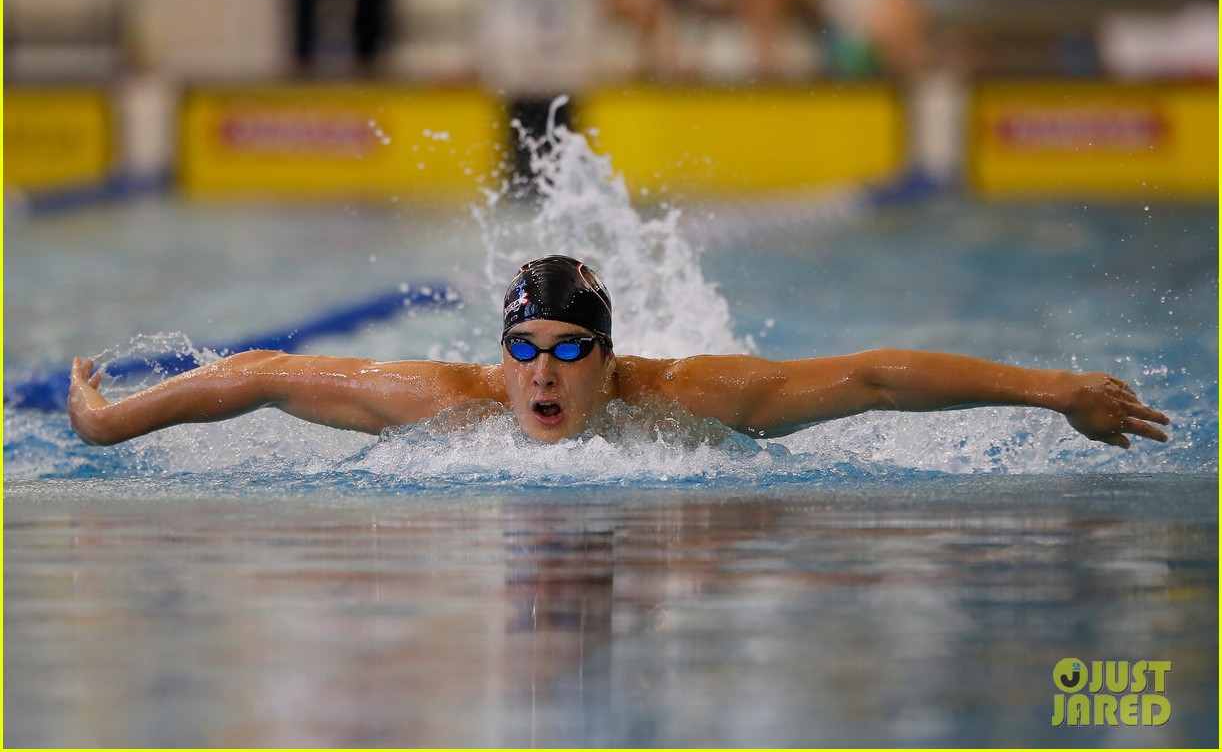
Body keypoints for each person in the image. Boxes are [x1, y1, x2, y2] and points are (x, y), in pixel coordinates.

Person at [68, 255, 1170, 451]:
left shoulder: (691, 401)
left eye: (568, 352)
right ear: (498, 358)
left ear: (609, 360)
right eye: (524, 352)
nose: (542, 375)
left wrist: (1055, 390)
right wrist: (113, 418)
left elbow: (875, 376)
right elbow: (259, 372)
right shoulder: (440, 405)